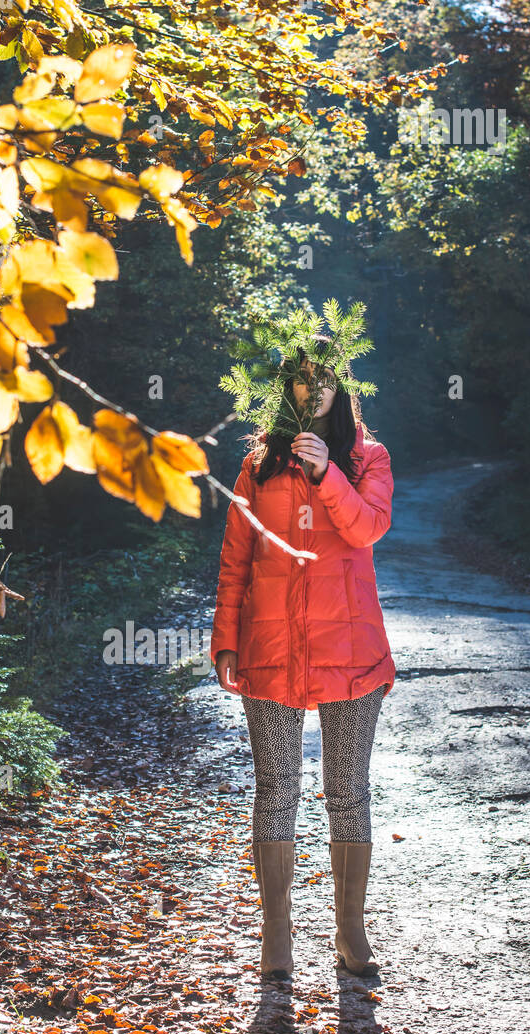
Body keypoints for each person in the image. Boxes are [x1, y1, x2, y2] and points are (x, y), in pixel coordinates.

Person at [211, 342, 396, 982]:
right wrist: (225, 639)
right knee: (276, 792)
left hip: (351, 652)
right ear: (286, 389)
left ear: (340, 387)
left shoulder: (367, 457)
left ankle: (349, 931)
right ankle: (276, 937)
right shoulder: (258, 466)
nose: (310, 390)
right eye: (298, 380)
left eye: (322, 380)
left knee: (347, 791)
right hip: (271, 651)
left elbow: (368, 529)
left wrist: (327, 476)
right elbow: (236, 558)